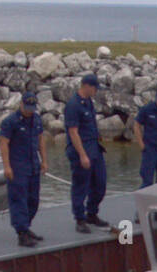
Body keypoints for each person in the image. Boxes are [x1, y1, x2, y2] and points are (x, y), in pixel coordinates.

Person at [0, 91, 47, 247]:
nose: (29, 110)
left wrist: (44, 161)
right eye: (27, 107)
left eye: (32, 107)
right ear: (20, 104)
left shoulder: (37, 119)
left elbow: (41, 140)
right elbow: (4, 143)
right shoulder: (10, 122)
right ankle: (21, 232)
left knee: (33, 200)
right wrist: (6, 166)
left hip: (33, 164)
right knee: (19, 200)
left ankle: (26, 227)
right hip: (18, 166)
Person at [64, 74, 108, 233]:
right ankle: (79, 218)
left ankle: (92, 212)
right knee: (80, 186)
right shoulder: (74, 105)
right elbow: (73, 132)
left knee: (100, 184)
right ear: (87, 86)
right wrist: (82, 155)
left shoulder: (88, 102)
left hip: (94, 148)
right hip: (81, 150)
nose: (96, 91)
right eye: (95, 88)